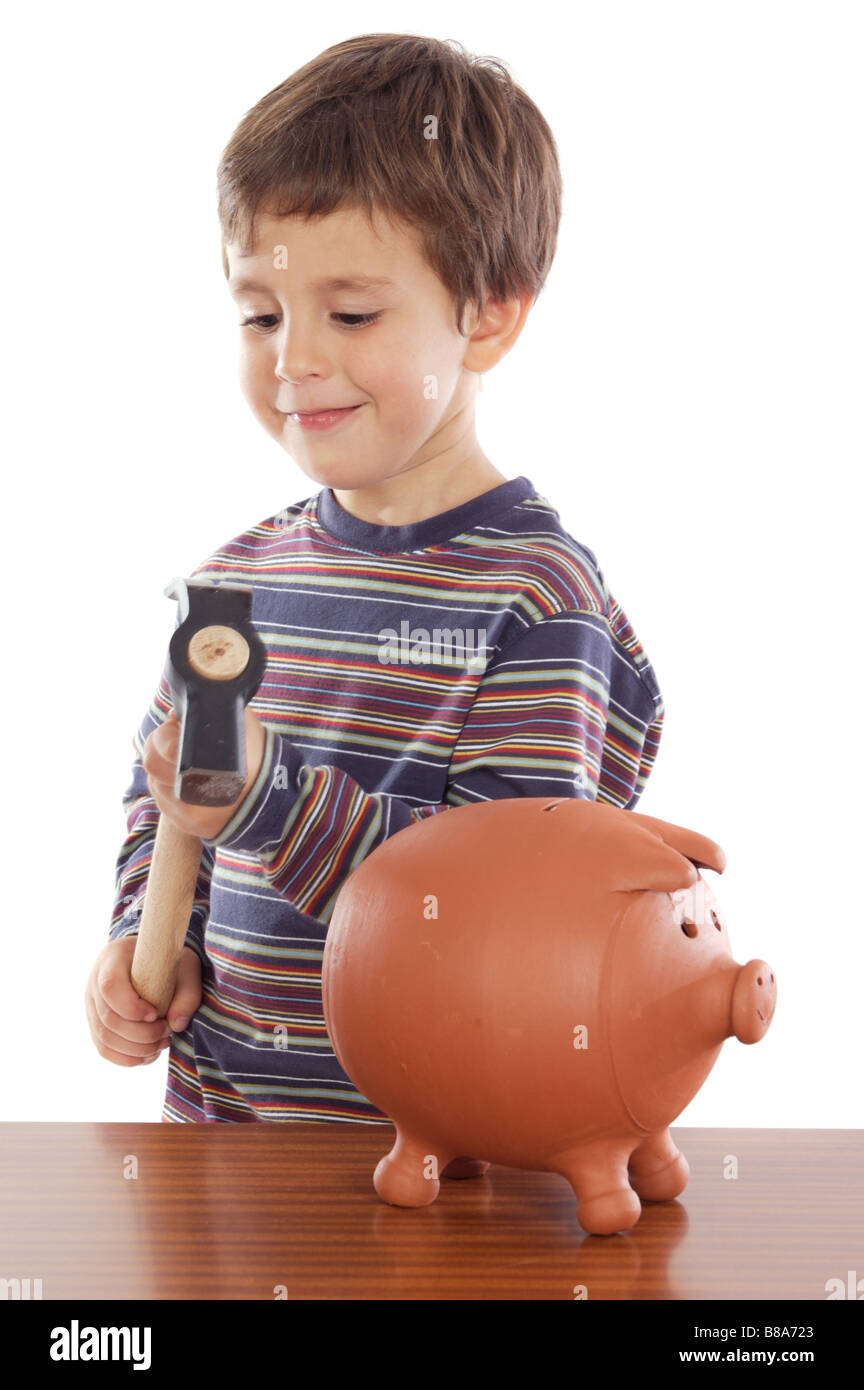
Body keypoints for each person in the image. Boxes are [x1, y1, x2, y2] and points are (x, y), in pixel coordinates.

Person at [85, 33, 666, 1124]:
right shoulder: (231, 587)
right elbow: (160, 800)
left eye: (351, 314)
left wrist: (269, 807)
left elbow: (496, 917)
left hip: (439, 1181)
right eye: (261, 313)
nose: (294, 356)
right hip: (220, 1149)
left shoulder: (537, 605)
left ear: (488, 312)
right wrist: (135, 936)